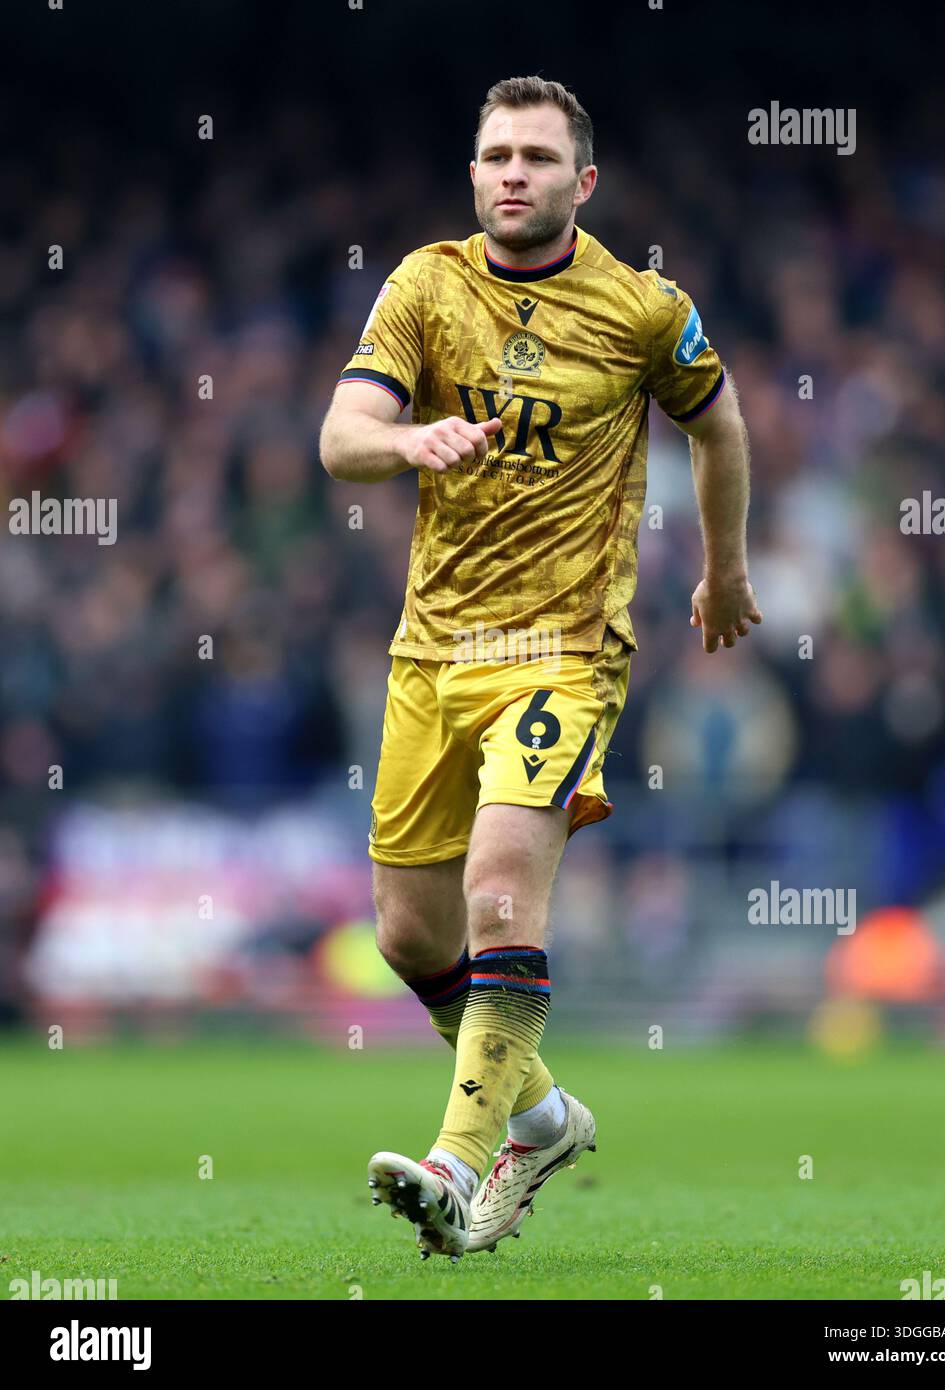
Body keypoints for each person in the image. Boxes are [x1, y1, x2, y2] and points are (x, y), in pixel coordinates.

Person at [319, 75, 761, 1261]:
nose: (511, 172)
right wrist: (409, 436)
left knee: (501, 887)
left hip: (562, 654)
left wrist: (721, 571)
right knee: (411, 938)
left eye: (535, 157)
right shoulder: (425, 283)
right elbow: (339, 436)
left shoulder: (640, 308)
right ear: (472, 174)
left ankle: (459, 1167)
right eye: (493, 155)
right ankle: (548, 1119)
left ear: (582, 182)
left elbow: (717, 424)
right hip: (430, 655)